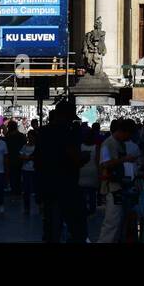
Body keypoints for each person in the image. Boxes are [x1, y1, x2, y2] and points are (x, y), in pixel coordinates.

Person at [34, 103, 87, 242]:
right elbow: (73, 156)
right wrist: (84, 158)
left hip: (48, 185)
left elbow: (37, 160)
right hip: (67, 185)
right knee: (76, 226)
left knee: (51, 225)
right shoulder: (70, 132)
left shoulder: (43, 132)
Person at [97, 119, 140, 243]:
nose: (129, 138)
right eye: (129, 135)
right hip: (112, 187)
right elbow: (105, 163)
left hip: (121, 186)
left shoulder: (120, 143)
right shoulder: (108, 144)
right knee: (112, 222)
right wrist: (125, 159)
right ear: (123, 132)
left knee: (119, 222)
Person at [3, 120, 26, 196]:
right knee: (18, 176)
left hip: (10, 159)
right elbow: (24, 147)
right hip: (19, 159)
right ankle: (17, 191)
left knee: (12, 176)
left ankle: (13, 190)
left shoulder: (7, 137)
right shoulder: (21, 136)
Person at [18, 128, 38, 213]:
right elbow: (20, 155)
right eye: (29, 137)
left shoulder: (37, 147)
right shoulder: (25, 146)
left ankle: (39, 205)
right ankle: (27, 207)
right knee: (26, 190)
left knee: (36, 189)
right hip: (26, 170)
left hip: (34, 170)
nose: (30, 138)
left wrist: (27, 157)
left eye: (31, 137)